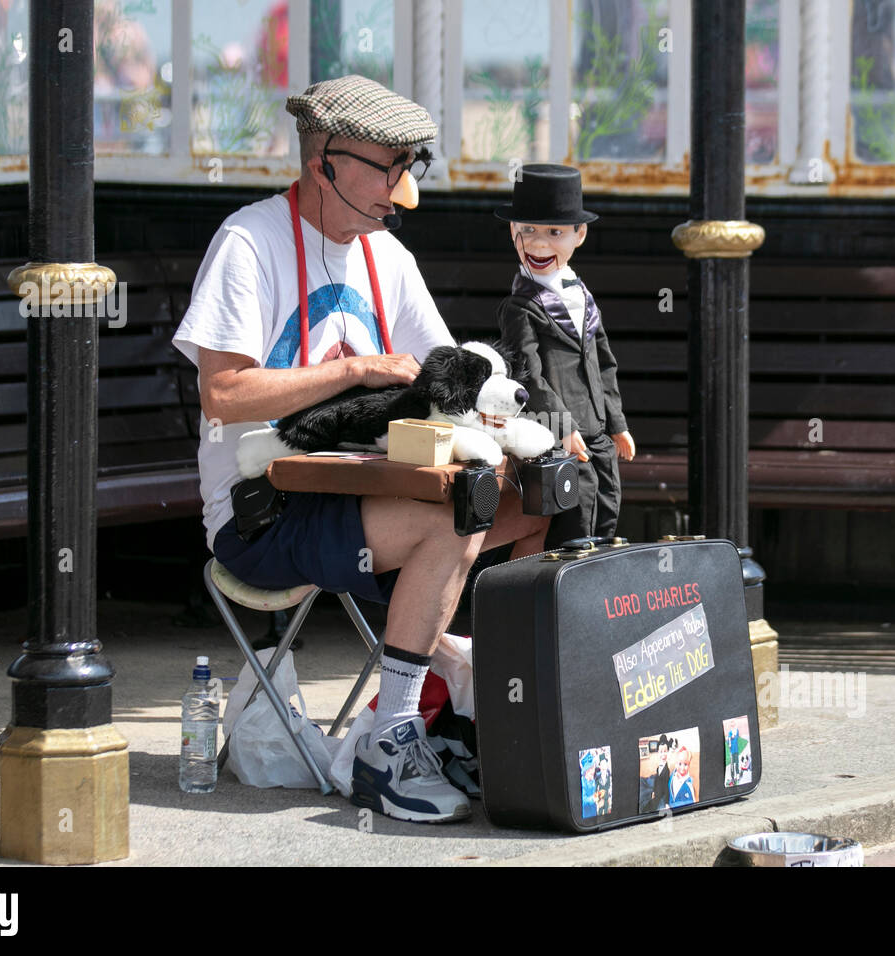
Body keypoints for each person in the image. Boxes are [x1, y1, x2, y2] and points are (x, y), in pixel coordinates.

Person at [172, 75, 548, 824]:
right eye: (388, 167)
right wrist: (356, 368)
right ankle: (388, 747)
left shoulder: (387, 256)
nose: (401, 188)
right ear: (326, 165)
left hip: (369, 497)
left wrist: (515, 432)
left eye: (411, 166)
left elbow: (447, 378)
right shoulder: (248, 241)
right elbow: (223, 395)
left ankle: (468, 717)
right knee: (458, 515)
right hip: (263, 513)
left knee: (541, 503)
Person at [494, 164, 635, 550]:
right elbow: (527, 375)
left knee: (606, 509)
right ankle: (561, 599)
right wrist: (562, 426)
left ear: (579, 234)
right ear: (513, 232)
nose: (539, 245)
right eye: (528, 230)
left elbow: (605, 364)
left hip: (597, 433)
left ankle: (595, 590)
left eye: (554, 232)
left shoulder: (582, 297)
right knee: (570, 529)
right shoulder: (521, 306)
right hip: (556, 436)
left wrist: (617, 422)